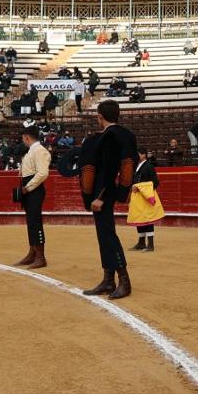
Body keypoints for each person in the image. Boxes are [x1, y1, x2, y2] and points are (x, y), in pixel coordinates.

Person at [77, 100, 138, 299]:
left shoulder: (109, 136)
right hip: (108, 191)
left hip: (103, 193)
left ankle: (124, 281)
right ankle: (108, 280)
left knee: (108, 234)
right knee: (104, 234)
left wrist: (100, 196)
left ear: (100, 117)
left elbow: (110, 169)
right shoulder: (123, 134)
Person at [13, 126, 51, 269]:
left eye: (23, 138)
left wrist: (27, 187)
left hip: (33, 190)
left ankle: (40, 257)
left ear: (27, 137)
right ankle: (33, 253)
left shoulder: (39, 150)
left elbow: (43, 173)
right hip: (30, 189)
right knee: (31, 221)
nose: (23, 141)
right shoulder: (33, 151)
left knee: (35, 221)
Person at [130, 148, 160, 252]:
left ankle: (150, 245)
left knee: (148, 219)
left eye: (137, 154)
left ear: (143, 155)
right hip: (138, 198)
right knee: (140, 219)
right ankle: (141, 243)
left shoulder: (149, 166)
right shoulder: (136, 167)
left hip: (145, 197)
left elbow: (155, 183)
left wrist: (140, 188)